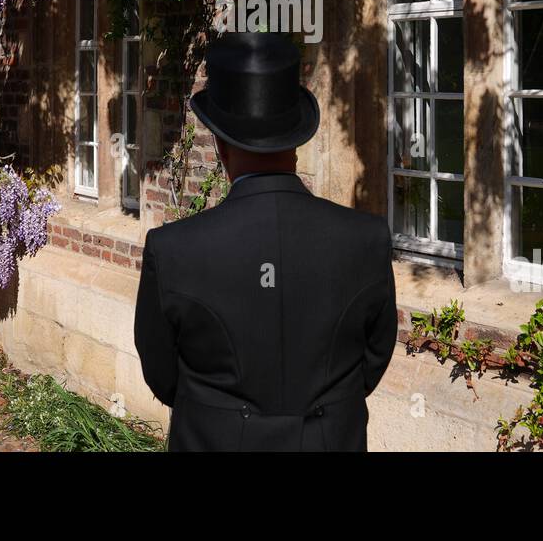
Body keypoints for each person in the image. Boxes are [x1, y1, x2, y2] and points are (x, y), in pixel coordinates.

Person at [133, 31, 398, 451]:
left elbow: (163, 376)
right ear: (296, 140)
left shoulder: (173, 249)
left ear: (220, 146)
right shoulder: (366, 239)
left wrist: (224, 413)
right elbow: (372, 361)